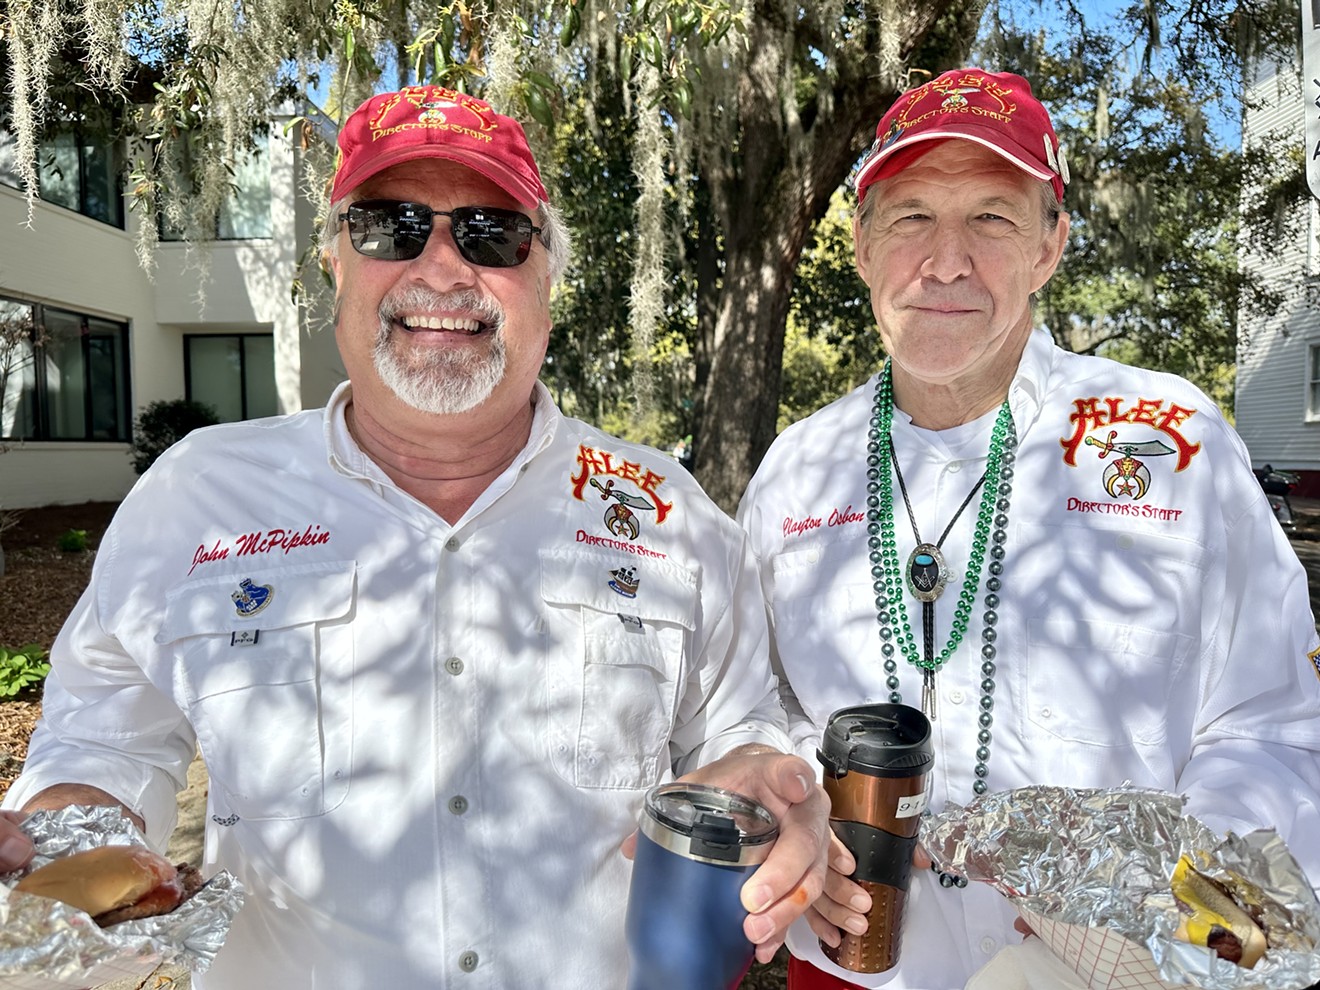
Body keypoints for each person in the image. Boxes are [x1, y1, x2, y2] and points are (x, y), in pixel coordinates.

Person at [0, 86, 838, 987]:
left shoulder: (665, 511)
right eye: (390, 227)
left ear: (546, 275)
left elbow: (739, 734)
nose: (441, 269)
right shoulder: (199, 494)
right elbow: (103, 737)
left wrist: (769, 775)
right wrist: (70, 828)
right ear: (333, 262)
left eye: (491, 233)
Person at [737, 67, 1320, 989]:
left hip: (1102, 973)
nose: (946, 259)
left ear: (1052, 245)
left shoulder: (1171, 441)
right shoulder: (795, 471)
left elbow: (1273, 724)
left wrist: (1172, 913)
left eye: (994, 218)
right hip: (851, 967)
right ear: (860, 244)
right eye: (912, 216)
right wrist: (791, 797)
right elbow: (754, 705)